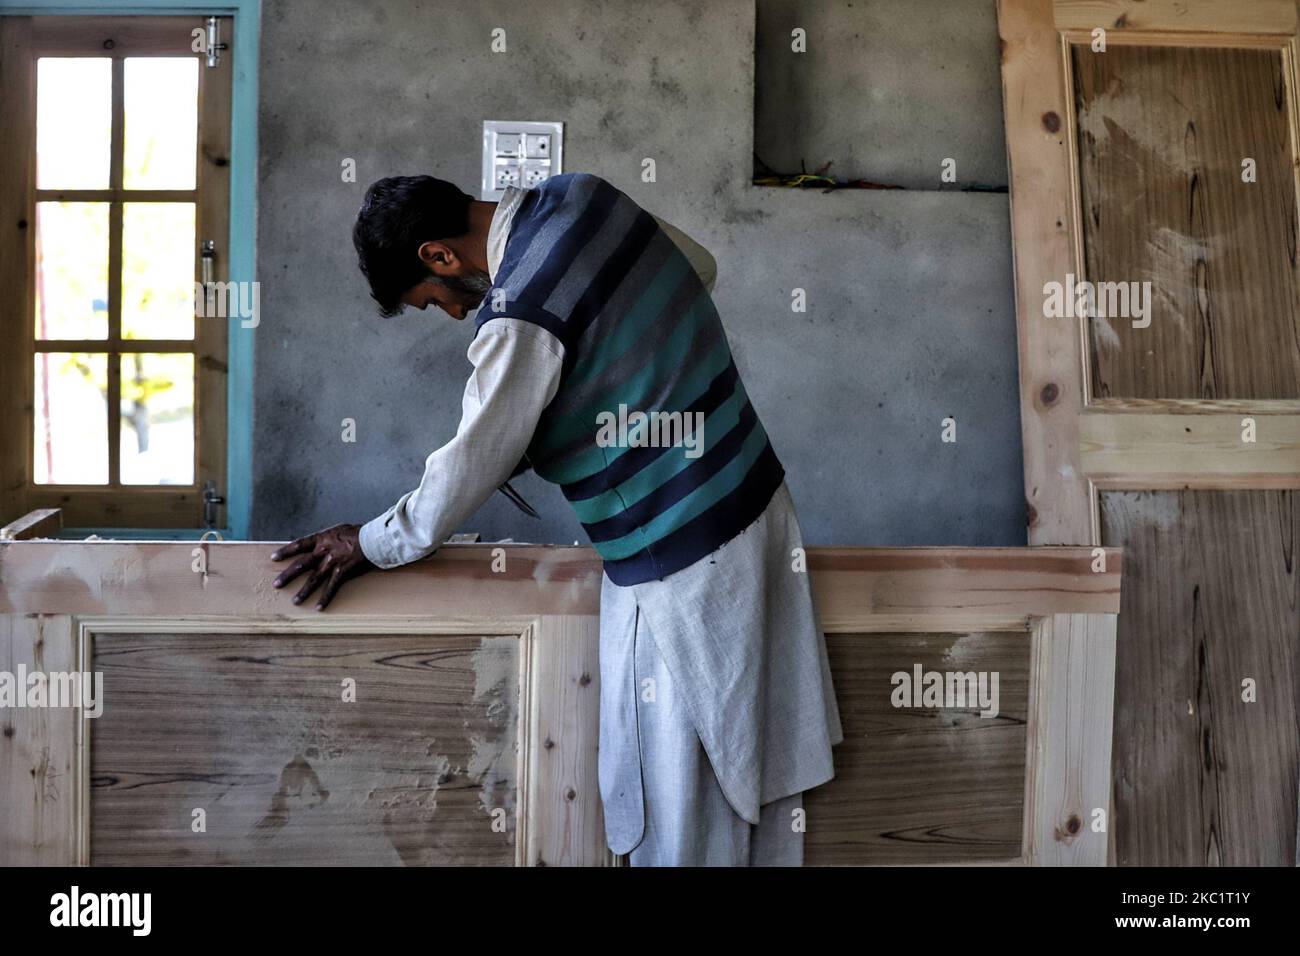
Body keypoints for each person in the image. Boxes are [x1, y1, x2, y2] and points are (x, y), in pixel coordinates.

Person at [270, 172, 842, 865]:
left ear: (439, 256)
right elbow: (699, 268)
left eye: (432, 302)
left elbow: (468, 465)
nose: (453, 316)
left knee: (682, 794)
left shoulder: (517, 316)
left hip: (682, 552)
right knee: (755, 755)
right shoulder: (586, 197)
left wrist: (368, 541)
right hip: (756, 503)